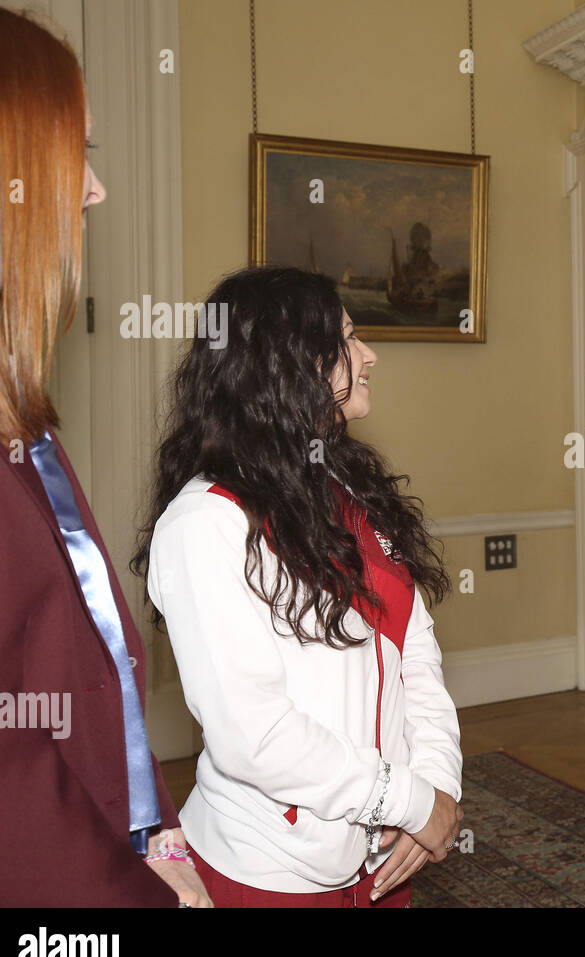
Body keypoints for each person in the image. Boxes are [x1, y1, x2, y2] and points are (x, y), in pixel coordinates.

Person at [0, 0, 210, 906]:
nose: (93, 189)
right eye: (77, 151)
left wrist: (159, 836)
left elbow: (87, 662)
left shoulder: (14, 414)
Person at [133, 266, 463, 907]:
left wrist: (435, 790)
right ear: (288, 365)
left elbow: (415, 656)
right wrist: (412, 801)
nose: (370, 356)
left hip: (384, 861)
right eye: (347, 339)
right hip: (267, 876)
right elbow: (253, 732)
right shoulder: (206, 523)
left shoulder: (345, 492)